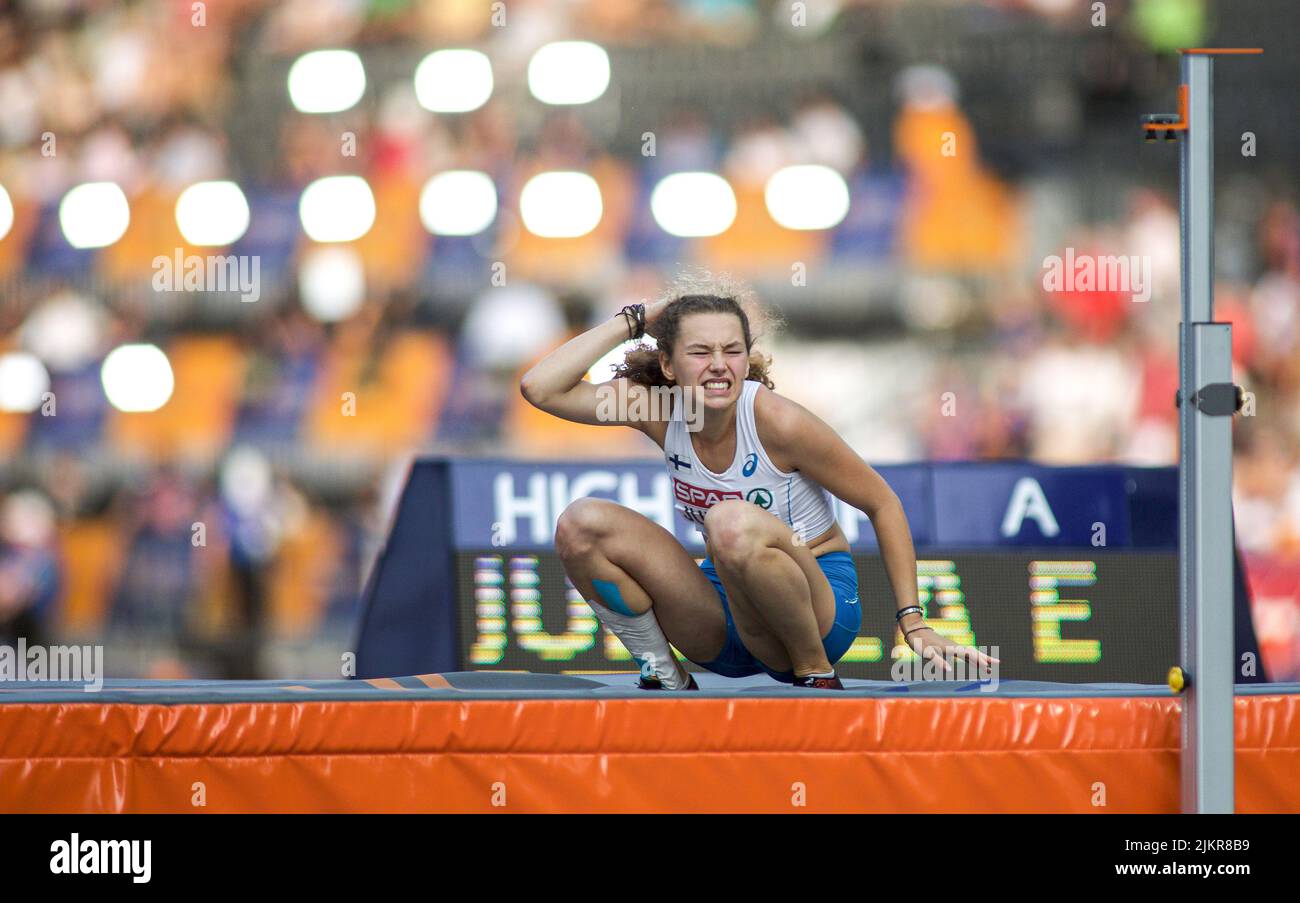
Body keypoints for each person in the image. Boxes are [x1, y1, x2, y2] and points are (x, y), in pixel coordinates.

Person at [520, 276, 996, 689]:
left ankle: (815, 675)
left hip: (817, 611)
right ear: (668, 366)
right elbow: (541, 388)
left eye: (732, 351)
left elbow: (883, 503)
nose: (719, 364)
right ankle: (664, 674)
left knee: (730, 522)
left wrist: (912, 623)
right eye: (700, 352)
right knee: (580, 523)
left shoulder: (779, 422)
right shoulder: (657, 409)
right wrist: (637, 319)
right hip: (724, 618)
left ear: (747, 360)